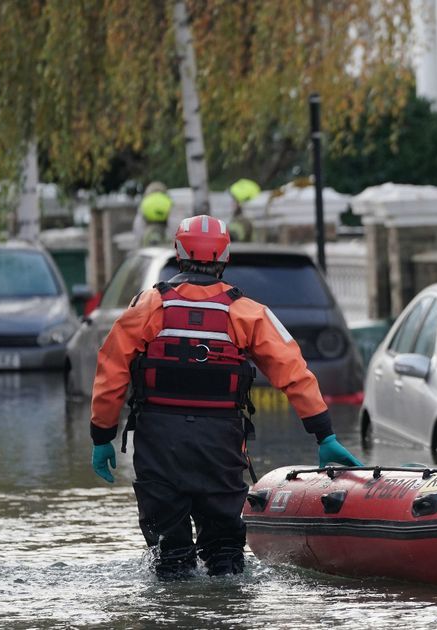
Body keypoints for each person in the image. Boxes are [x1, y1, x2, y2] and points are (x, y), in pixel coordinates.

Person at [88, 214, 362, 580]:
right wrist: (323, 434)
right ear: (225, 257)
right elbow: (293, 371)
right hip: (220, 445)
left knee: (169, 557)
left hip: (159, 443)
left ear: (178, 252)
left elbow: (111, 369)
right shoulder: (247, 313)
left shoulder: (148, 306)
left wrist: (102, 436)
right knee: (226, 556)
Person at [226, 178, 259, 243]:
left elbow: (235, 234)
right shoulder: (239, 218)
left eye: (234, 200)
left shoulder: (244, 220)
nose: (231, 203)